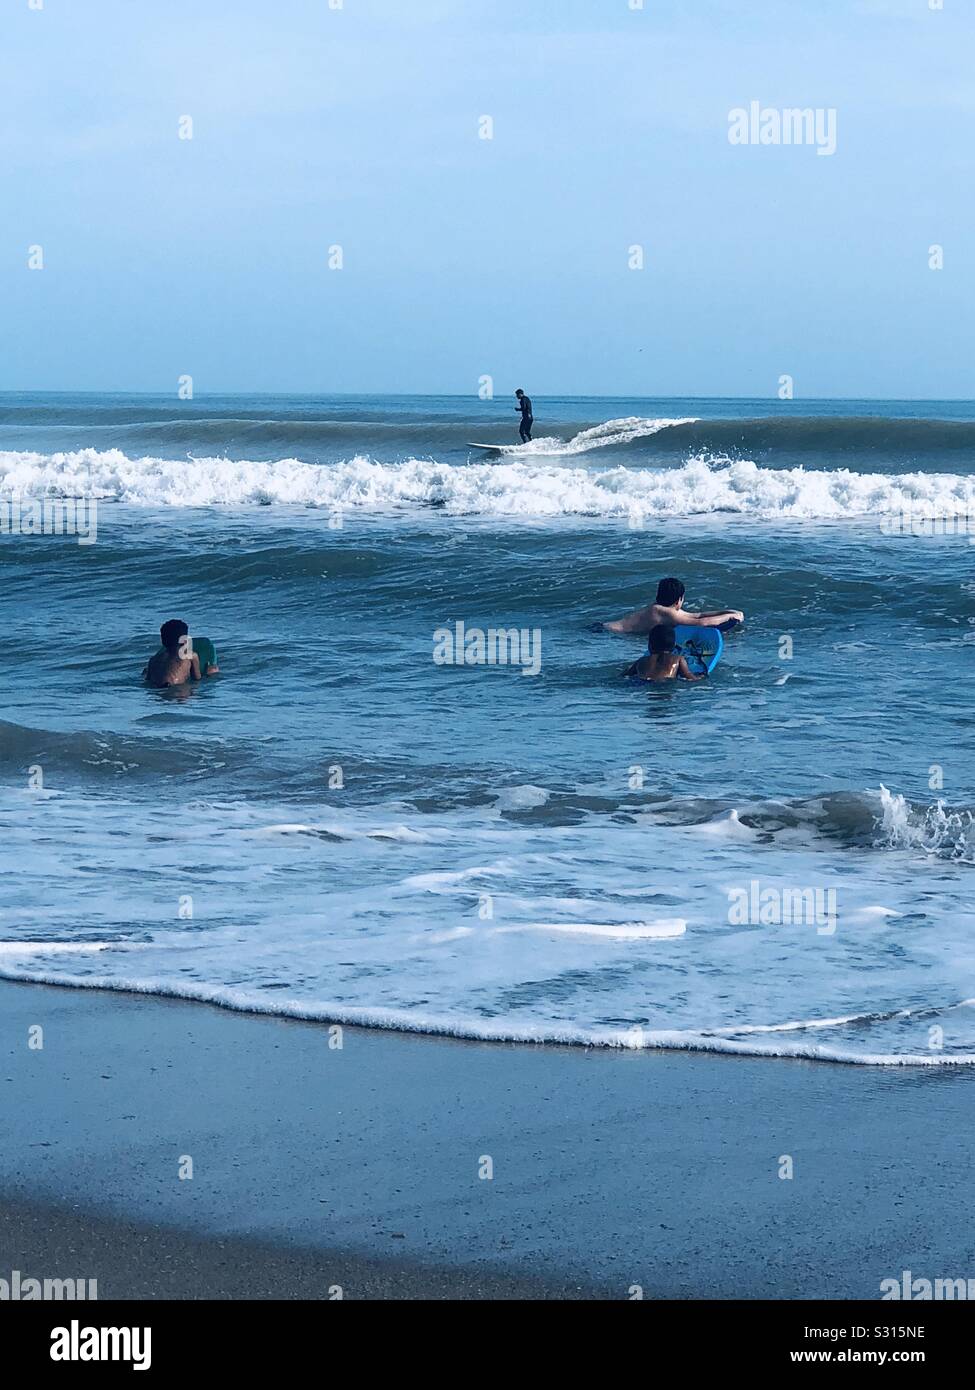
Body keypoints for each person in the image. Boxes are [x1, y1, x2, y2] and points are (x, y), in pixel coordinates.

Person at [601, 577, 744, 636]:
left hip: (606, 628)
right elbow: (702, 623)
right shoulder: (663, 613)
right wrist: (730, 617)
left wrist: (729, 611)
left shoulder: (661, 609)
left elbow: (697, 615)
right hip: (606, 632)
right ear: (679, 600)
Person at [143, 620, 219, 688]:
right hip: (176, 691)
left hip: (157, 691)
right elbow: (197, 679)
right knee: (213, 670)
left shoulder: (153, 660)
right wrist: (208, 674)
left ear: (163, 641)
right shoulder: (190, 656)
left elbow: (147, 681)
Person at [626, 624, 705, 683]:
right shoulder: (678, 659)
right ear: (674, 645)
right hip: (664, 684)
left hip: (643, 683)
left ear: (650, 645)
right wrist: (701, 677)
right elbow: (689, 677)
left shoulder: (641, 661)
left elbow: (625, 675)